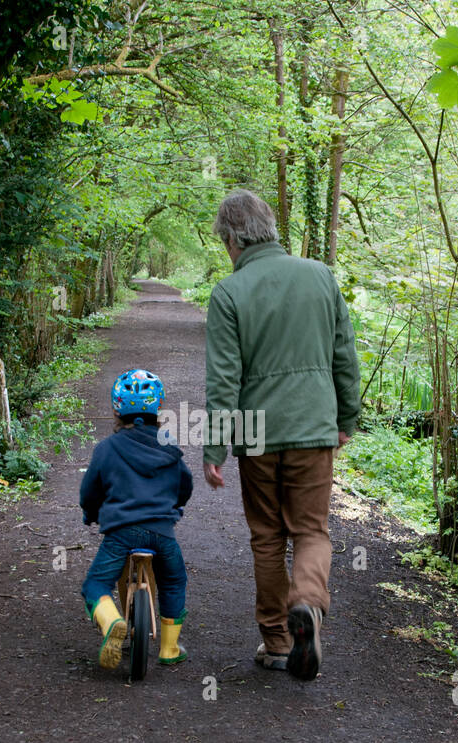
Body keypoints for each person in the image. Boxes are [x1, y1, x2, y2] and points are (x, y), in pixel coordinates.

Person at [202, 189, 360, 681]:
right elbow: (344, 358)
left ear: (232, 241)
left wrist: (215, 448)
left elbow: (224, 380)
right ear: (270, 229)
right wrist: (346, 420)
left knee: (267, 537)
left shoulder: (229, 293)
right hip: (314, 427)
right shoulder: (320, 276)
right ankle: (309, 604)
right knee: (311, 530)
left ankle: (276, 641)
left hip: (257, 435)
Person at [80, 369, 194, 670]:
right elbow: (185, 484)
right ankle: (169, 648)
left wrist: (90, 514)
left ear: (116, 409)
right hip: (162, 533)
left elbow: (90, 491)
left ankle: (113, 621)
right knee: (173, 581)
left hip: (121, 535)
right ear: (158, 408)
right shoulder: (169, 447)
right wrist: (176, 507)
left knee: (95, 584)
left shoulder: (107, 449)